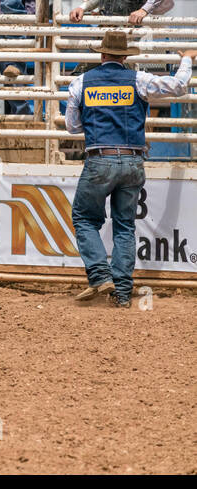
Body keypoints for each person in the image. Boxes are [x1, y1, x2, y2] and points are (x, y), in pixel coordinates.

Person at [66, 30, 195, 309]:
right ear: (125, 57)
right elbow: (178, 87)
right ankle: (122, 294)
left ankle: (100, 275)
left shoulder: (80, 83)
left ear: (101, 55)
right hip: (133, 160)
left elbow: (72, 127)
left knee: (85, 218)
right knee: (124, 226)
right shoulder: (138, 79)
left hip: (99, 159)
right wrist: (186, 60)